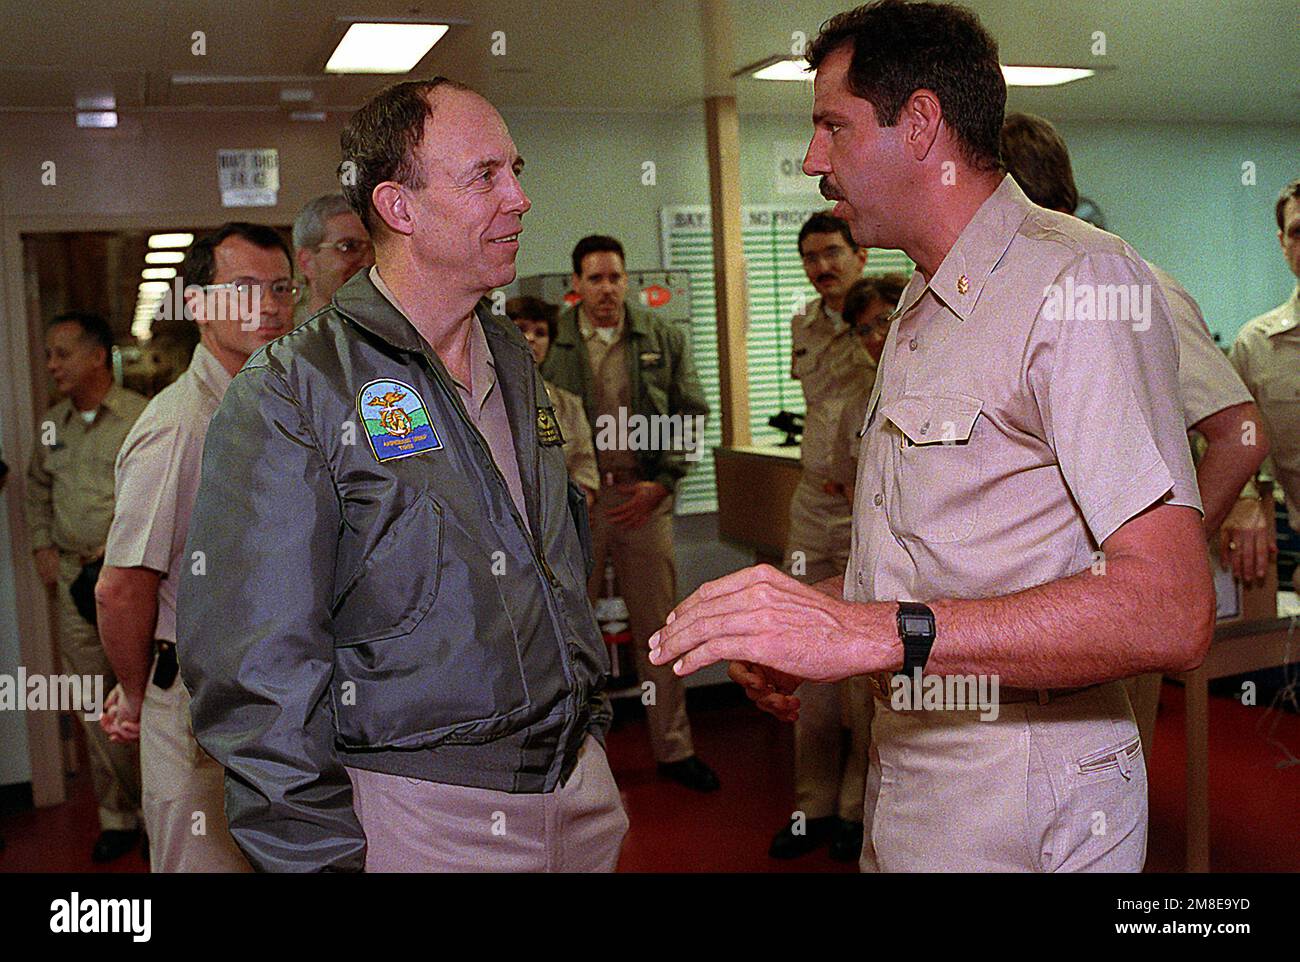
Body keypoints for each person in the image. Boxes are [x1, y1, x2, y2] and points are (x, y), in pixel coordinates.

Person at [650, 0, 1214, 872]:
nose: (812, 162)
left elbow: (1171, 609)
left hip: (1024, 778)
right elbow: (945, 556)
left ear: (920, 124)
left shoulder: (1080, 281)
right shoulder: (923, 294)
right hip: (914, 764)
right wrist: (824, 615)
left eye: (832, 128)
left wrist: (881, 635)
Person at [177, 77, 626, 872]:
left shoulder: (515, 361)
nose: (520, 198)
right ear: (399, 207)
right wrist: (314, 857)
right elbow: (255, 672)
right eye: (486, 175)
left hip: (576, 788)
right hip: (422, 813)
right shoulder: (293, 389)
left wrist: (587, 731)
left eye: (515, 169)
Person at [999, 111, 1268, 754]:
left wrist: (1160, 560)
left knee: (1096, 799)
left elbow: (1243, 431)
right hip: (1010, 609)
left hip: (1097, 604)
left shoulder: (1134, 287)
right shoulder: (995, 299)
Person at [95, 222, 298, 872]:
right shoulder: (181, 428)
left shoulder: (280, 408)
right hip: (196, 709)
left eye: (280, 288)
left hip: (283, 696)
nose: (267, 305)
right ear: (199, 303)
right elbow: (122, 587)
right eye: (242, 289)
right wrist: (133, 691)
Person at [542, 235, 719, 793]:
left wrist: (662, 484)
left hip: (643, 503)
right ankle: (573, 757)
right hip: (578, 508)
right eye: (594, 279)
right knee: (568, 632)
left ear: (627, 281)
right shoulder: (553, 343)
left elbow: (692, 413)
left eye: (615, 278)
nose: (607, 290)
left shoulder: (660, 337)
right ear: (576, 285)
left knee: (662, 630)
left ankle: (674, 748)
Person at [766, 212, 873, 861]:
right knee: (807, 653)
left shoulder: (891, 314)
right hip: (813, 501)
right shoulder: (804, 322)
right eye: (810, 257)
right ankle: (813, 804)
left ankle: (860, 805)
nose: (821, 266)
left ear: (859, 253)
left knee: (863, 661)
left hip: (868, 505)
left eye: (832, 252)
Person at [24, 310, 147, 863]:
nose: (52, 365)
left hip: (132, 582)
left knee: (147, 699)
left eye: (62, 353)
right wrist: (42, 543)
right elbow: (35, 487)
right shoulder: (52, 425)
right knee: (93, 701)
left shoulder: (141, 418)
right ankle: (118, 816)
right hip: (75, 580)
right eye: (49, 354)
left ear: (98, 356)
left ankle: (160, 810)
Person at [1228, 178, 1300, 586]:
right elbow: (1223, 439)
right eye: (1298, 231)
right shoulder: (1255, 345)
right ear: (1282, 242)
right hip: (1287, 545)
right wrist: (1244, 499)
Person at [506, 295, 599, 498]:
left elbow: (585, 467)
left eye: (540, 333)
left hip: (558, 516)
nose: (530, 338)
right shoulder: (484, 397)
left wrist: (576, 505)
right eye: (521, 328)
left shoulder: (568, 405)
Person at [292, 193, 375, 317]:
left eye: (374, 248)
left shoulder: (395, 332)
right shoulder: (289, 334)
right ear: (306, 262)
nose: (368, 262)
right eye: (348, 247)